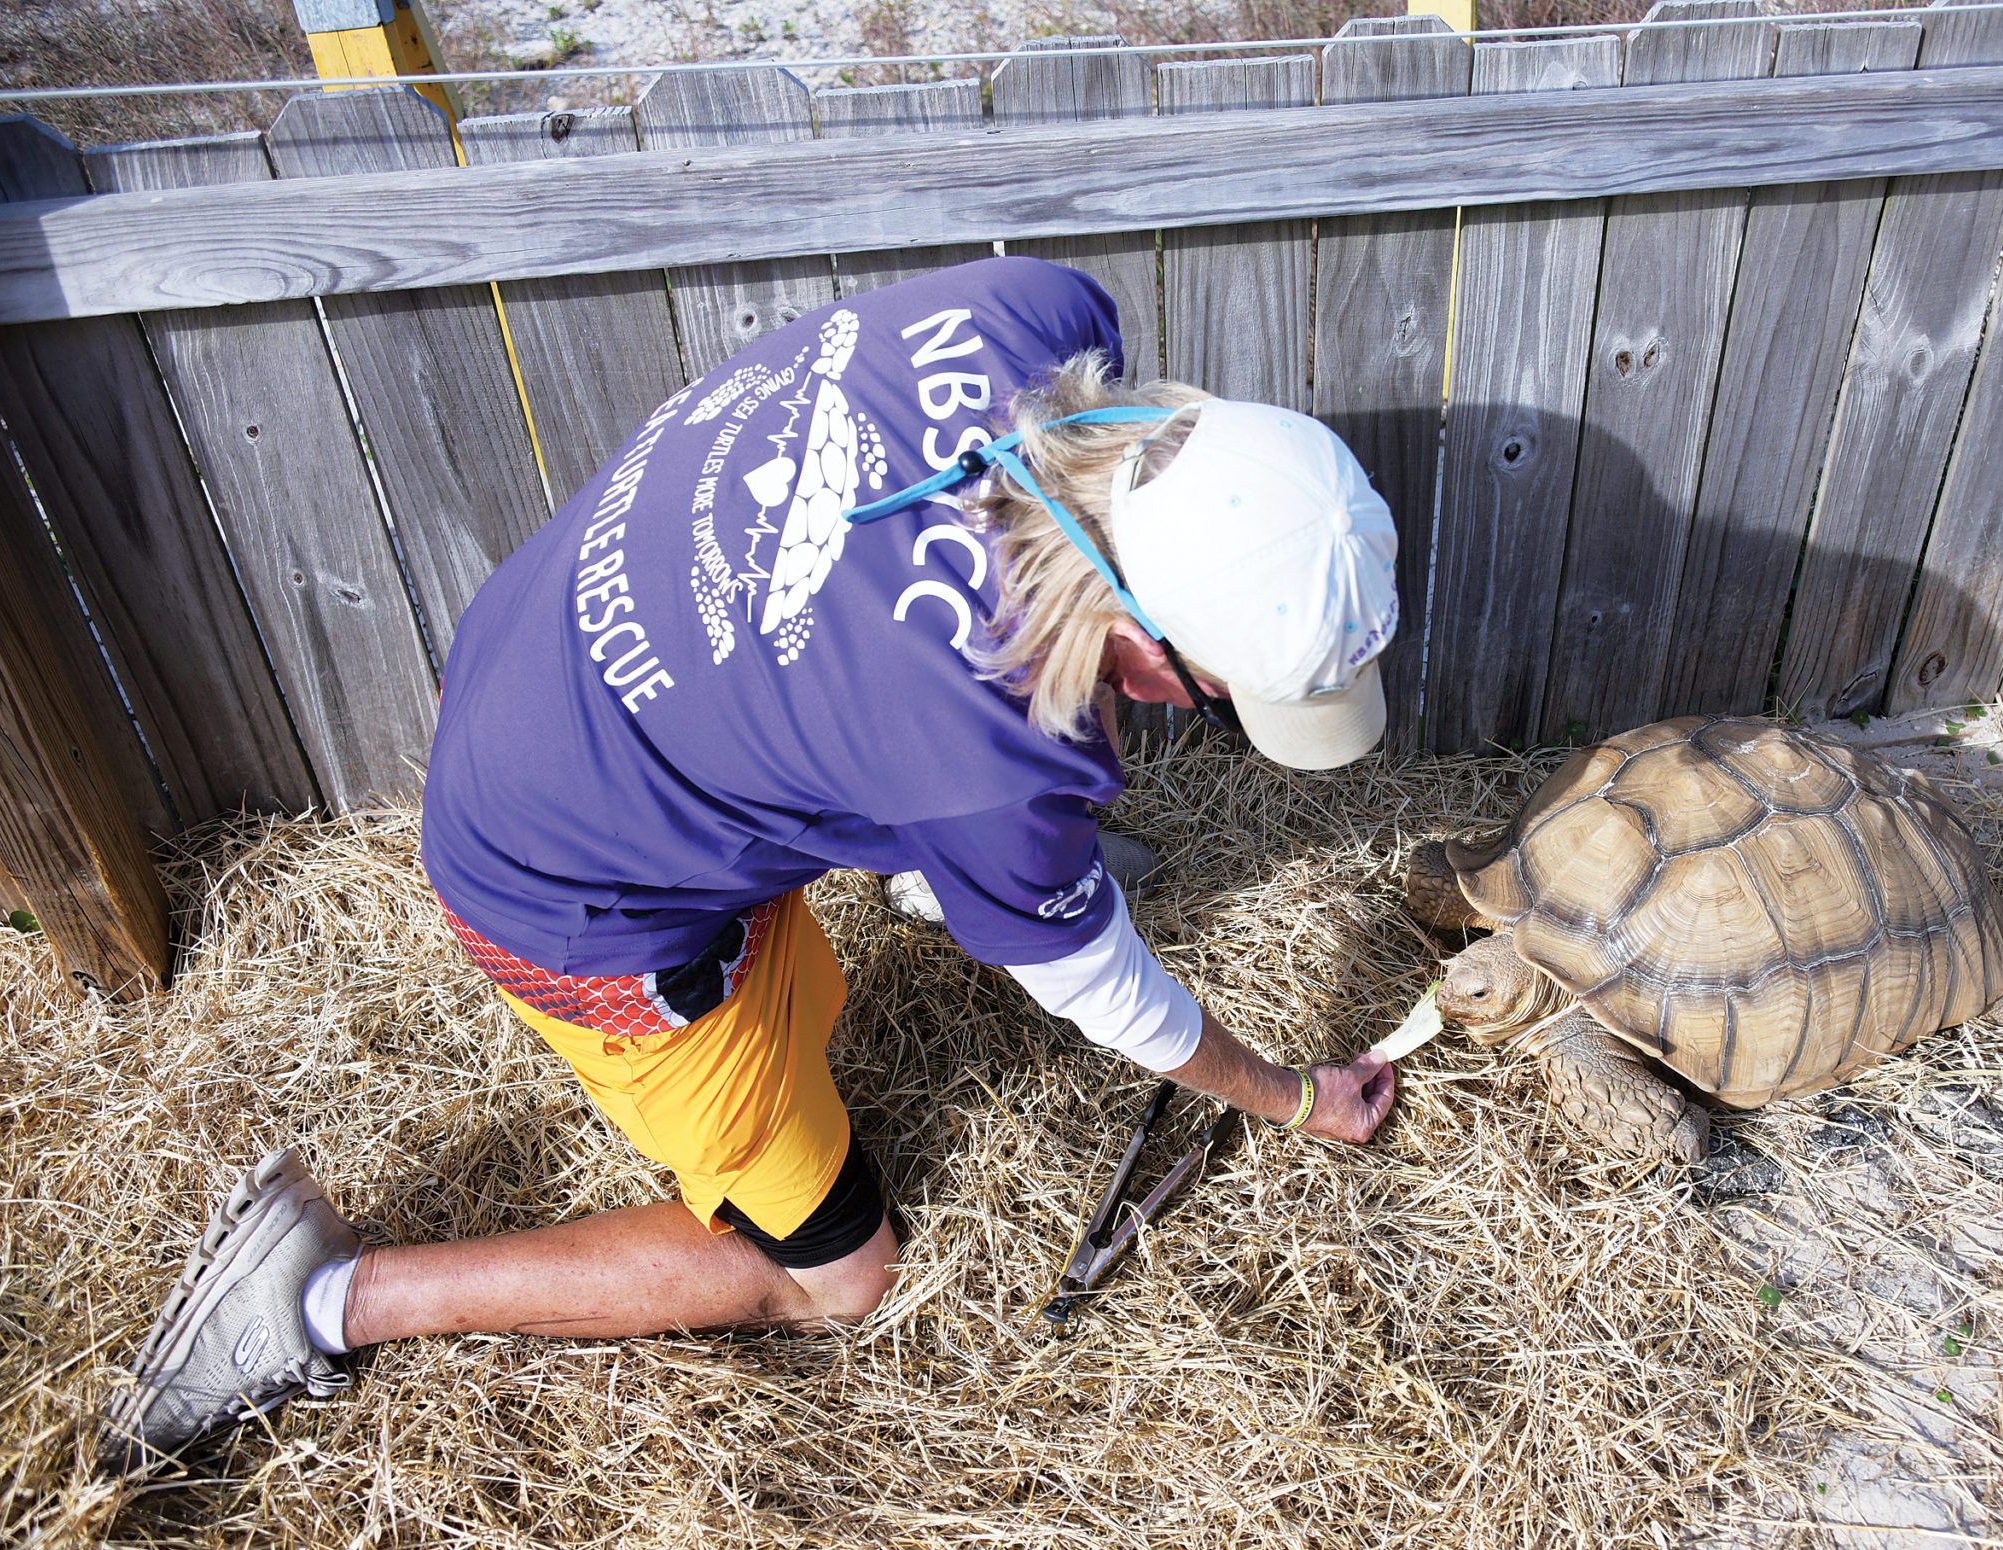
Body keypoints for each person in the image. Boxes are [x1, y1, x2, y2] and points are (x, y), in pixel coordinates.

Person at [108, 257, 1403, 1467]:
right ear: (1132, 611)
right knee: (840, 1281)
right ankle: (323, 1297)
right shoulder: (987, 748)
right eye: (1209, 692)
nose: (1187, 714)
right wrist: (1293, 1096)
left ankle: (921, 869)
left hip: (535, 662)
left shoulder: (1034, 311)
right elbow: (1112, 995)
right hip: (572, 888)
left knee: (897, 827)